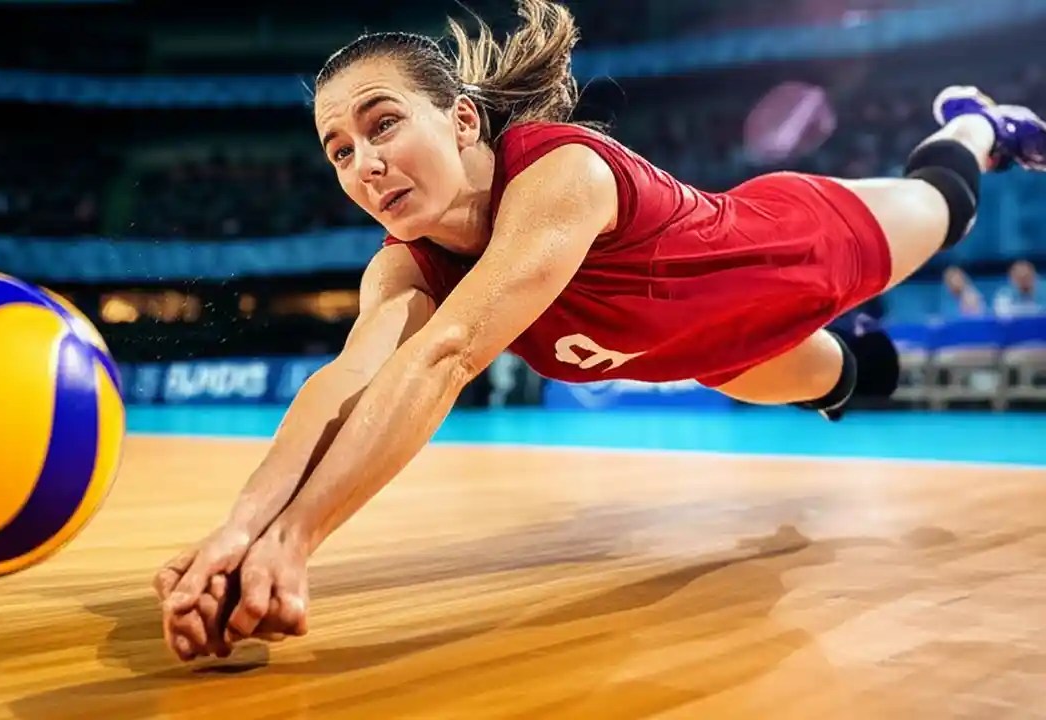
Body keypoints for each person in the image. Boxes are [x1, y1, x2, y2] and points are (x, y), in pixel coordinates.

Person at [153, 0, 1046, 660]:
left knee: (949, 208)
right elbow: (349, 381)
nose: (365, 162)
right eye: (339, 149)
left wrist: (296, 539)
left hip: (789, 251)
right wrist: (239, 529)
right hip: (714, 357)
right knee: (855, 380)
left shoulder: (557, 172)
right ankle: (862, 368)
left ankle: (973, 124)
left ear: (463, 118)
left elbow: (448, 355)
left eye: (383, 124)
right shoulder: (403, 262)